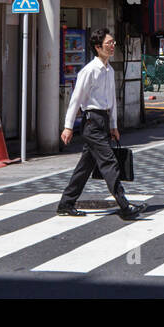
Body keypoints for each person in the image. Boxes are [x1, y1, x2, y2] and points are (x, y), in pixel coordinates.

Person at [57, 29, 145, 221]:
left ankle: (66, 203)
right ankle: (124, 205)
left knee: (85, 167)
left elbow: (112, 100)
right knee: (109, 162)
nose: (112, 46)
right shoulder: (89, 71)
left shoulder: (109, 70)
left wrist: (113, 125)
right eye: (109, 43)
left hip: (103, 121)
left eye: (113, 43)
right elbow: (76, 99)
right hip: (92, 122)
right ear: (98, 47)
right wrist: (68, 126)